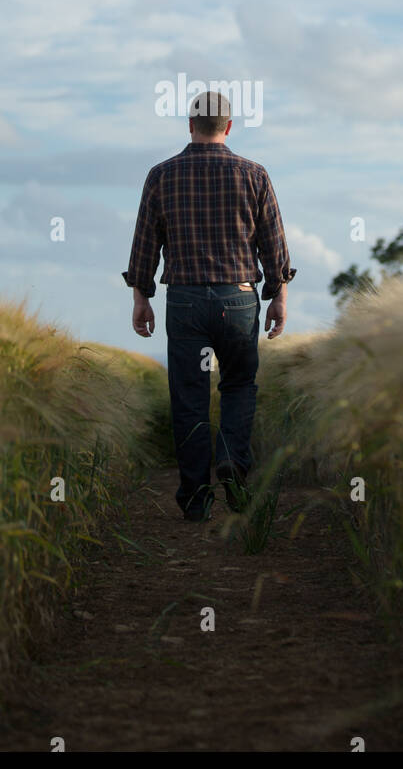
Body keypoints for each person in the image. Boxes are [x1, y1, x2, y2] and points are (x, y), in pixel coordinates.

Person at [121, 90, 296, 522]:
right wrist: (279, 296)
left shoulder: (161, 175)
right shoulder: (254, 175)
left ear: (189, 125)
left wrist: (141, 296)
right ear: (229, 126)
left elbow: (146, 243)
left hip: (185, 300)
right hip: (238, 299)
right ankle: (233, 462)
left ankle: (196, 500)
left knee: (189, 399)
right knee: (238, 386)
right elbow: (273, 244)